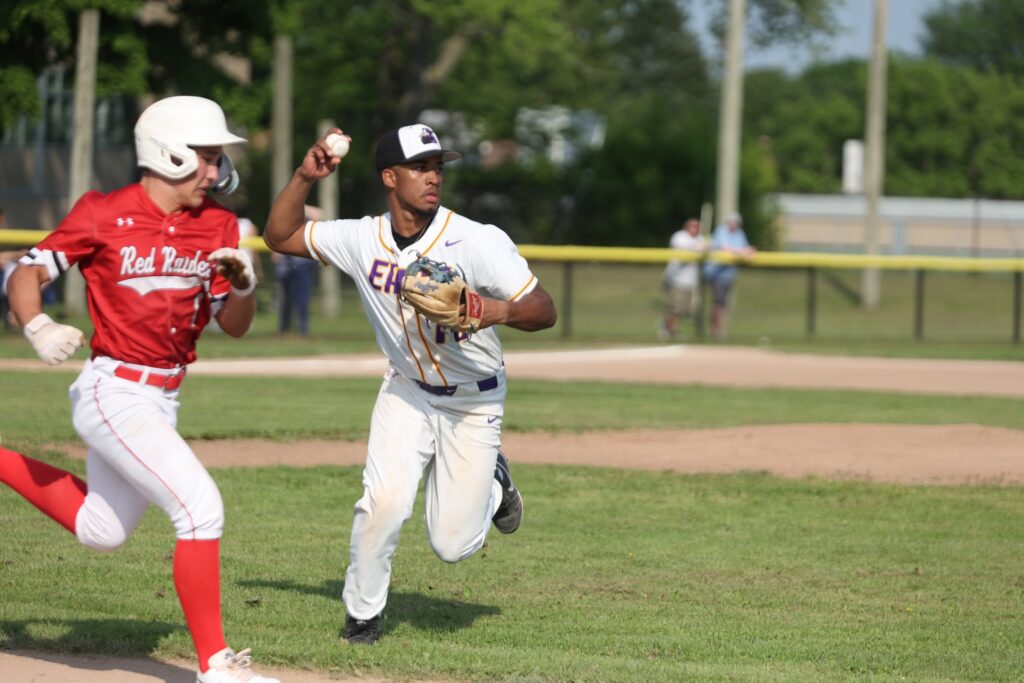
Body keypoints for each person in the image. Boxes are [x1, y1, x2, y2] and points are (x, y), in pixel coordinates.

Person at [1, 96, 278, 683]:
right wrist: (37, 324)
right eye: (206, 156)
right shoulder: (104, 212)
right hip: (113, 390)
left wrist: (245, 287)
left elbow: (234, 323)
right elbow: (27, 272)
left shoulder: (220, 226)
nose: (215, 169)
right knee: (201, 509)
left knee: (103, 531)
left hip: (163, 397)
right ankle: (217, 667)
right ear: (169, 153)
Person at [264, 123, 558, 645]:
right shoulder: (361, 238)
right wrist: (305, 177)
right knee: (382, 504)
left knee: (451, 544)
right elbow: (280, 236)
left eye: (438, 167)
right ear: (389, 176)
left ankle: (496, 484)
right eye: (421, 167)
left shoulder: (476, 239)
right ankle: (362, 617)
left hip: (474, 399)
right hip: (406, 390)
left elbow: (544, 309)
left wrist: (497, 309)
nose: (433, 177)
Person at [703, 212, 756, 339]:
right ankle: (715, 329)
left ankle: (718, 328)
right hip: (716, 273)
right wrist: (743, 252)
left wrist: (748, 250)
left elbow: (745, 248)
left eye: (736, 223)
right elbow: (726, 248)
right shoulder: (721, 231)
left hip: (729, 274)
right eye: (731, 222)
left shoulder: (739, 233)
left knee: (724, 303)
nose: (733, 225)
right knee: (719, 302)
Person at [272, 205, 321, 335]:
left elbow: (319, 214)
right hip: (287, 266)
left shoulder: (308, 221)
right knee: (286, 299)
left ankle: (303, 328)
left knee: (302, 299)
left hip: (303, 266)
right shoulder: (285, 222)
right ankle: (284, 328)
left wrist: (300, 206)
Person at [660, 218, 706, 341]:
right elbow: (684, 252)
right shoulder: (679, 237)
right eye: (693, 226)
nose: (695, 228)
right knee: (674, 307)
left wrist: (705, 246)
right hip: (676, 278)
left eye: (697, 226)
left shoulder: (700, 239)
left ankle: (673, 329)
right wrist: (697, 248)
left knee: (684, 310)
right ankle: (667, 329)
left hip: (691, 281)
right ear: (686, 226)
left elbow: (706, 249)